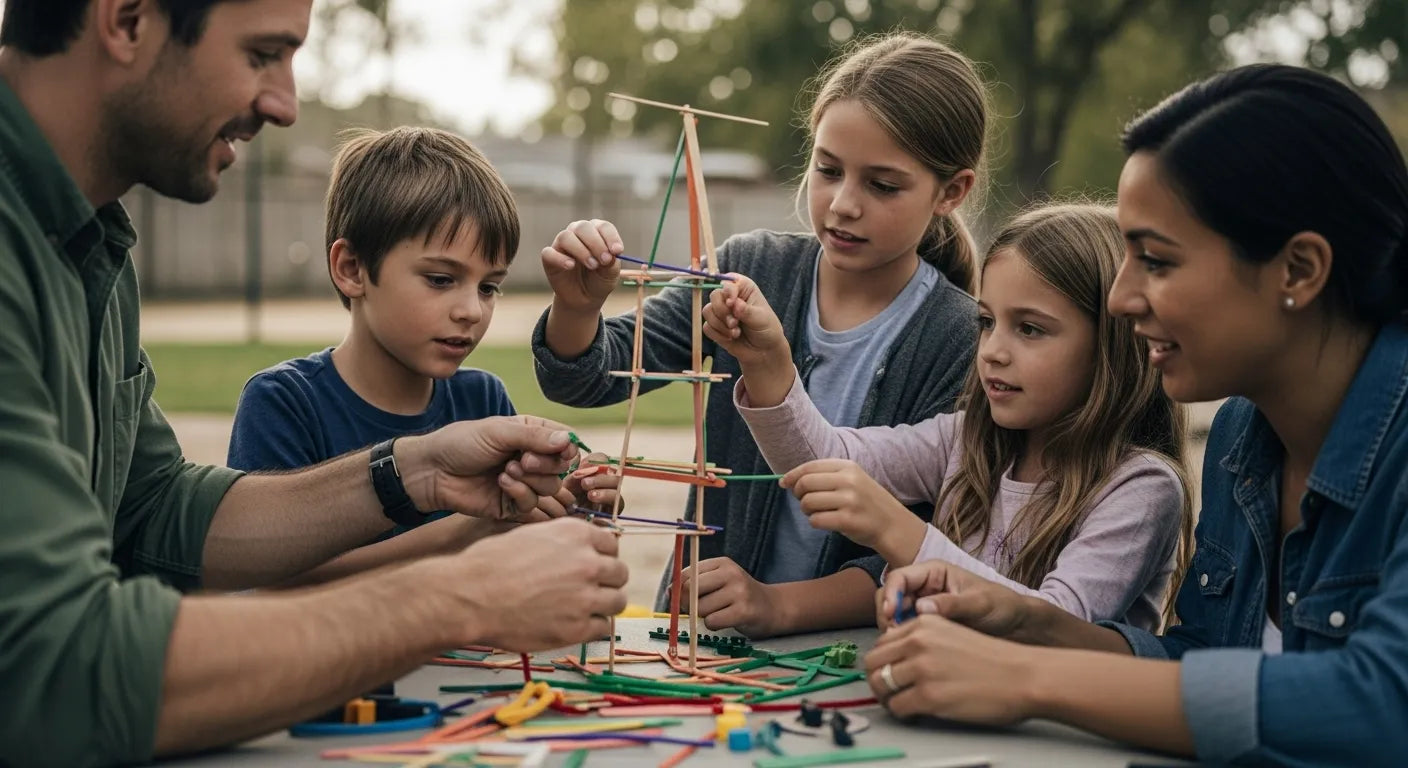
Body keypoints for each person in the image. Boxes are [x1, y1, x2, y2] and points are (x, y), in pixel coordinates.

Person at [0, 2, 626, 765]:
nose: (286, 104)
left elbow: (154, 512)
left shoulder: (88, 241)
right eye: (263, 53)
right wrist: (461, 594)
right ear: (127, 20)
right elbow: (54, 668)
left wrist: (420, 472)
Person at [864, 64, 1408, 766]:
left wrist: (1029, 678)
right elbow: (1200, 660)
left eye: (1155, 260)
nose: (1120, 298)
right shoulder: (1242, 436)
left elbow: (1382, 702)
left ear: (1298, 270)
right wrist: (1025, 620)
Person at [532, 31, 985, 626]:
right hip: (699, 637)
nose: (843, 204)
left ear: (951, 191)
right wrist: (577, 308)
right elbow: (587, 379)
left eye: (882, 185)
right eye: (828, 170)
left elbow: (935, 549)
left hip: (846, 653)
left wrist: (777, 605)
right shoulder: (751, 269)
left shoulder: (960, 337)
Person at [708, 203, 1189, 635]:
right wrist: (767, 362)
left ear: (1113, 347)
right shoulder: (965, 440)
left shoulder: (1141, 488)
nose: (993, 351)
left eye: (1029, 329)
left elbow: (1060, 624)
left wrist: (899, 532)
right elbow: (823, 462)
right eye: (987, 322)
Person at [225, 126, 619, 584]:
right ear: (351, 269)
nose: (471, 310)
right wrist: (464, 534)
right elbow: (272, 586)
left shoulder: (482, 400)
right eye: (440, 279)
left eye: (489, 287)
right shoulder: (284, 402)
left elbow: (511, 564)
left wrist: (568, 511)